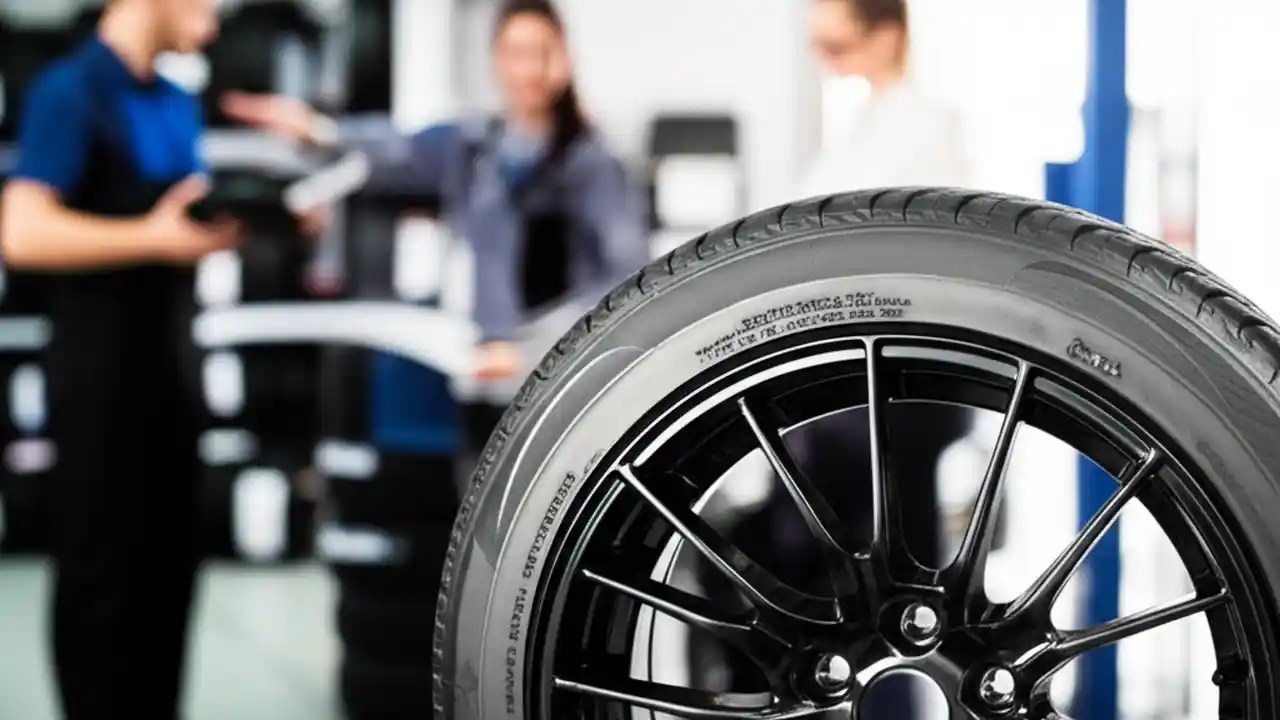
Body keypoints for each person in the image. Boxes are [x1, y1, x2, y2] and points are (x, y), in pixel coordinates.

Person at [0, 1, 236, 717]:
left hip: (173, 373)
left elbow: (181, 222)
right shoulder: (70, 91)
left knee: (168, 583)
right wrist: (152, 238)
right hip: (100, 382)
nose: (217, 15)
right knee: (103, 587)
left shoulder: (177, 100)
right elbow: (24, 233)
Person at [220, 0, 650, 381]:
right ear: (496, 61)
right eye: (515, 54)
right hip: (480, 365)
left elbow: (624, 276)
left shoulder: (592, 163)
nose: (527, 70)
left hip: (557, 368)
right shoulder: (475, 146)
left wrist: (539, 352)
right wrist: (316, 129)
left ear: (563, 59)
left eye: (539, 53)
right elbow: (398, 150)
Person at [803, 0, 969, 192]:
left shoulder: (930, 125)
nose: (823, 59)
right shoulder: (855, 125)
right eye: (816, 46)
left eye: (836, 47)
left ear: (887, 36)